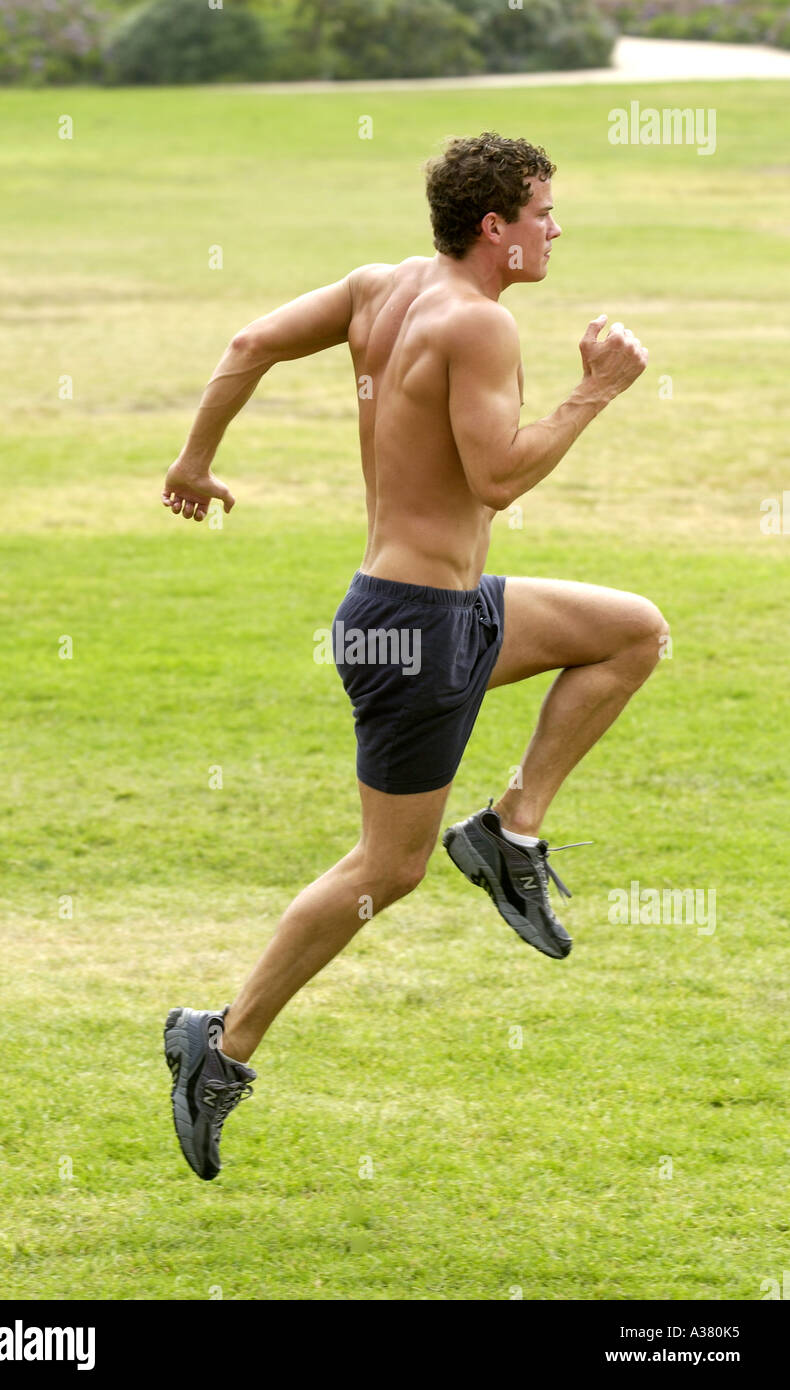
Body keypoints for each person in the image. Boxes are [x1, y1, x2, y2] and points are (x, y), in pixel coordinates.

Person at [161, 132, 668, 1180]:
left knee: (632, 630)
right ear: (497, 228)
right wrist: (598, 390)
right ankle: (219, 1043)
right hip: (418, 629)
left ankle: (509, 829)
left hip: (432, 605)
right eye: (542, 212)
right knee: (384, 867)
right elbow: (496, 479)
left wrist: (194, 460)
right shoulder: (478, 324)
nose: (553, 228)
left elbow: (250, 341)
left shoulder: (379, 287)